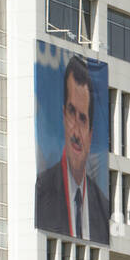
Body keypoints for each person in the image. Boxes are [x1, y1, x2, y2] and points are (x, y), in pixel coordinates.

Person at [35, 55, 109, 241]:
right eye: (71, 112)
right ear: (62, 116)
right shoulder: (43, 191)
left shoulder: (101, 206)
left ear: (91, 133)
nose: (75, 131)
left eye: (82, 119)